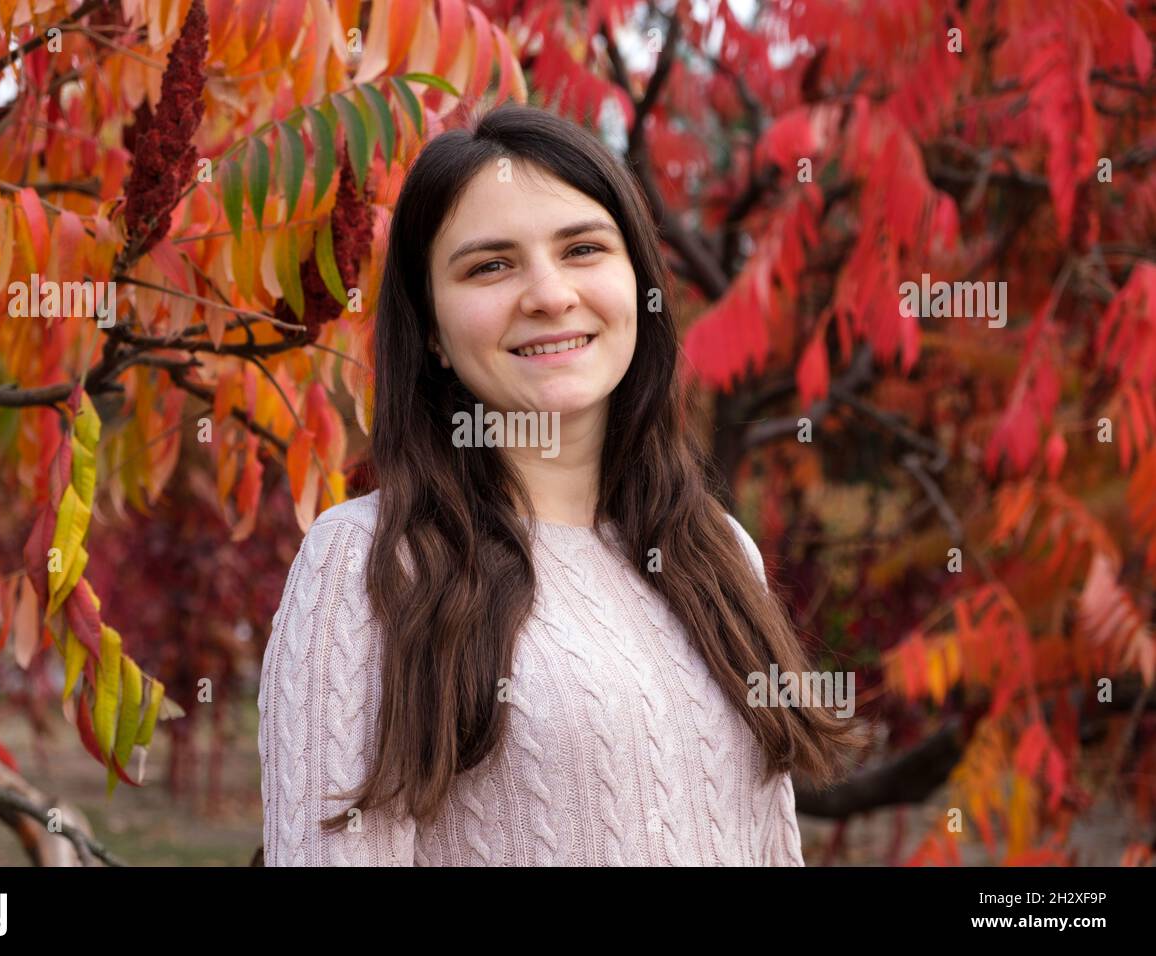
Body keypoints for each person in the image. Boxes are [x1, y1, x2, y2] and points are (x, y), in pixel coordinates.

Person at [258, 102, 862, 866]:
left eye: (582, 249)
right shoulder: (368, 565)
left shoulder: (715, 550)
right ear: (434, 331)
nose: (548, 294)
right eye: (490, 265)